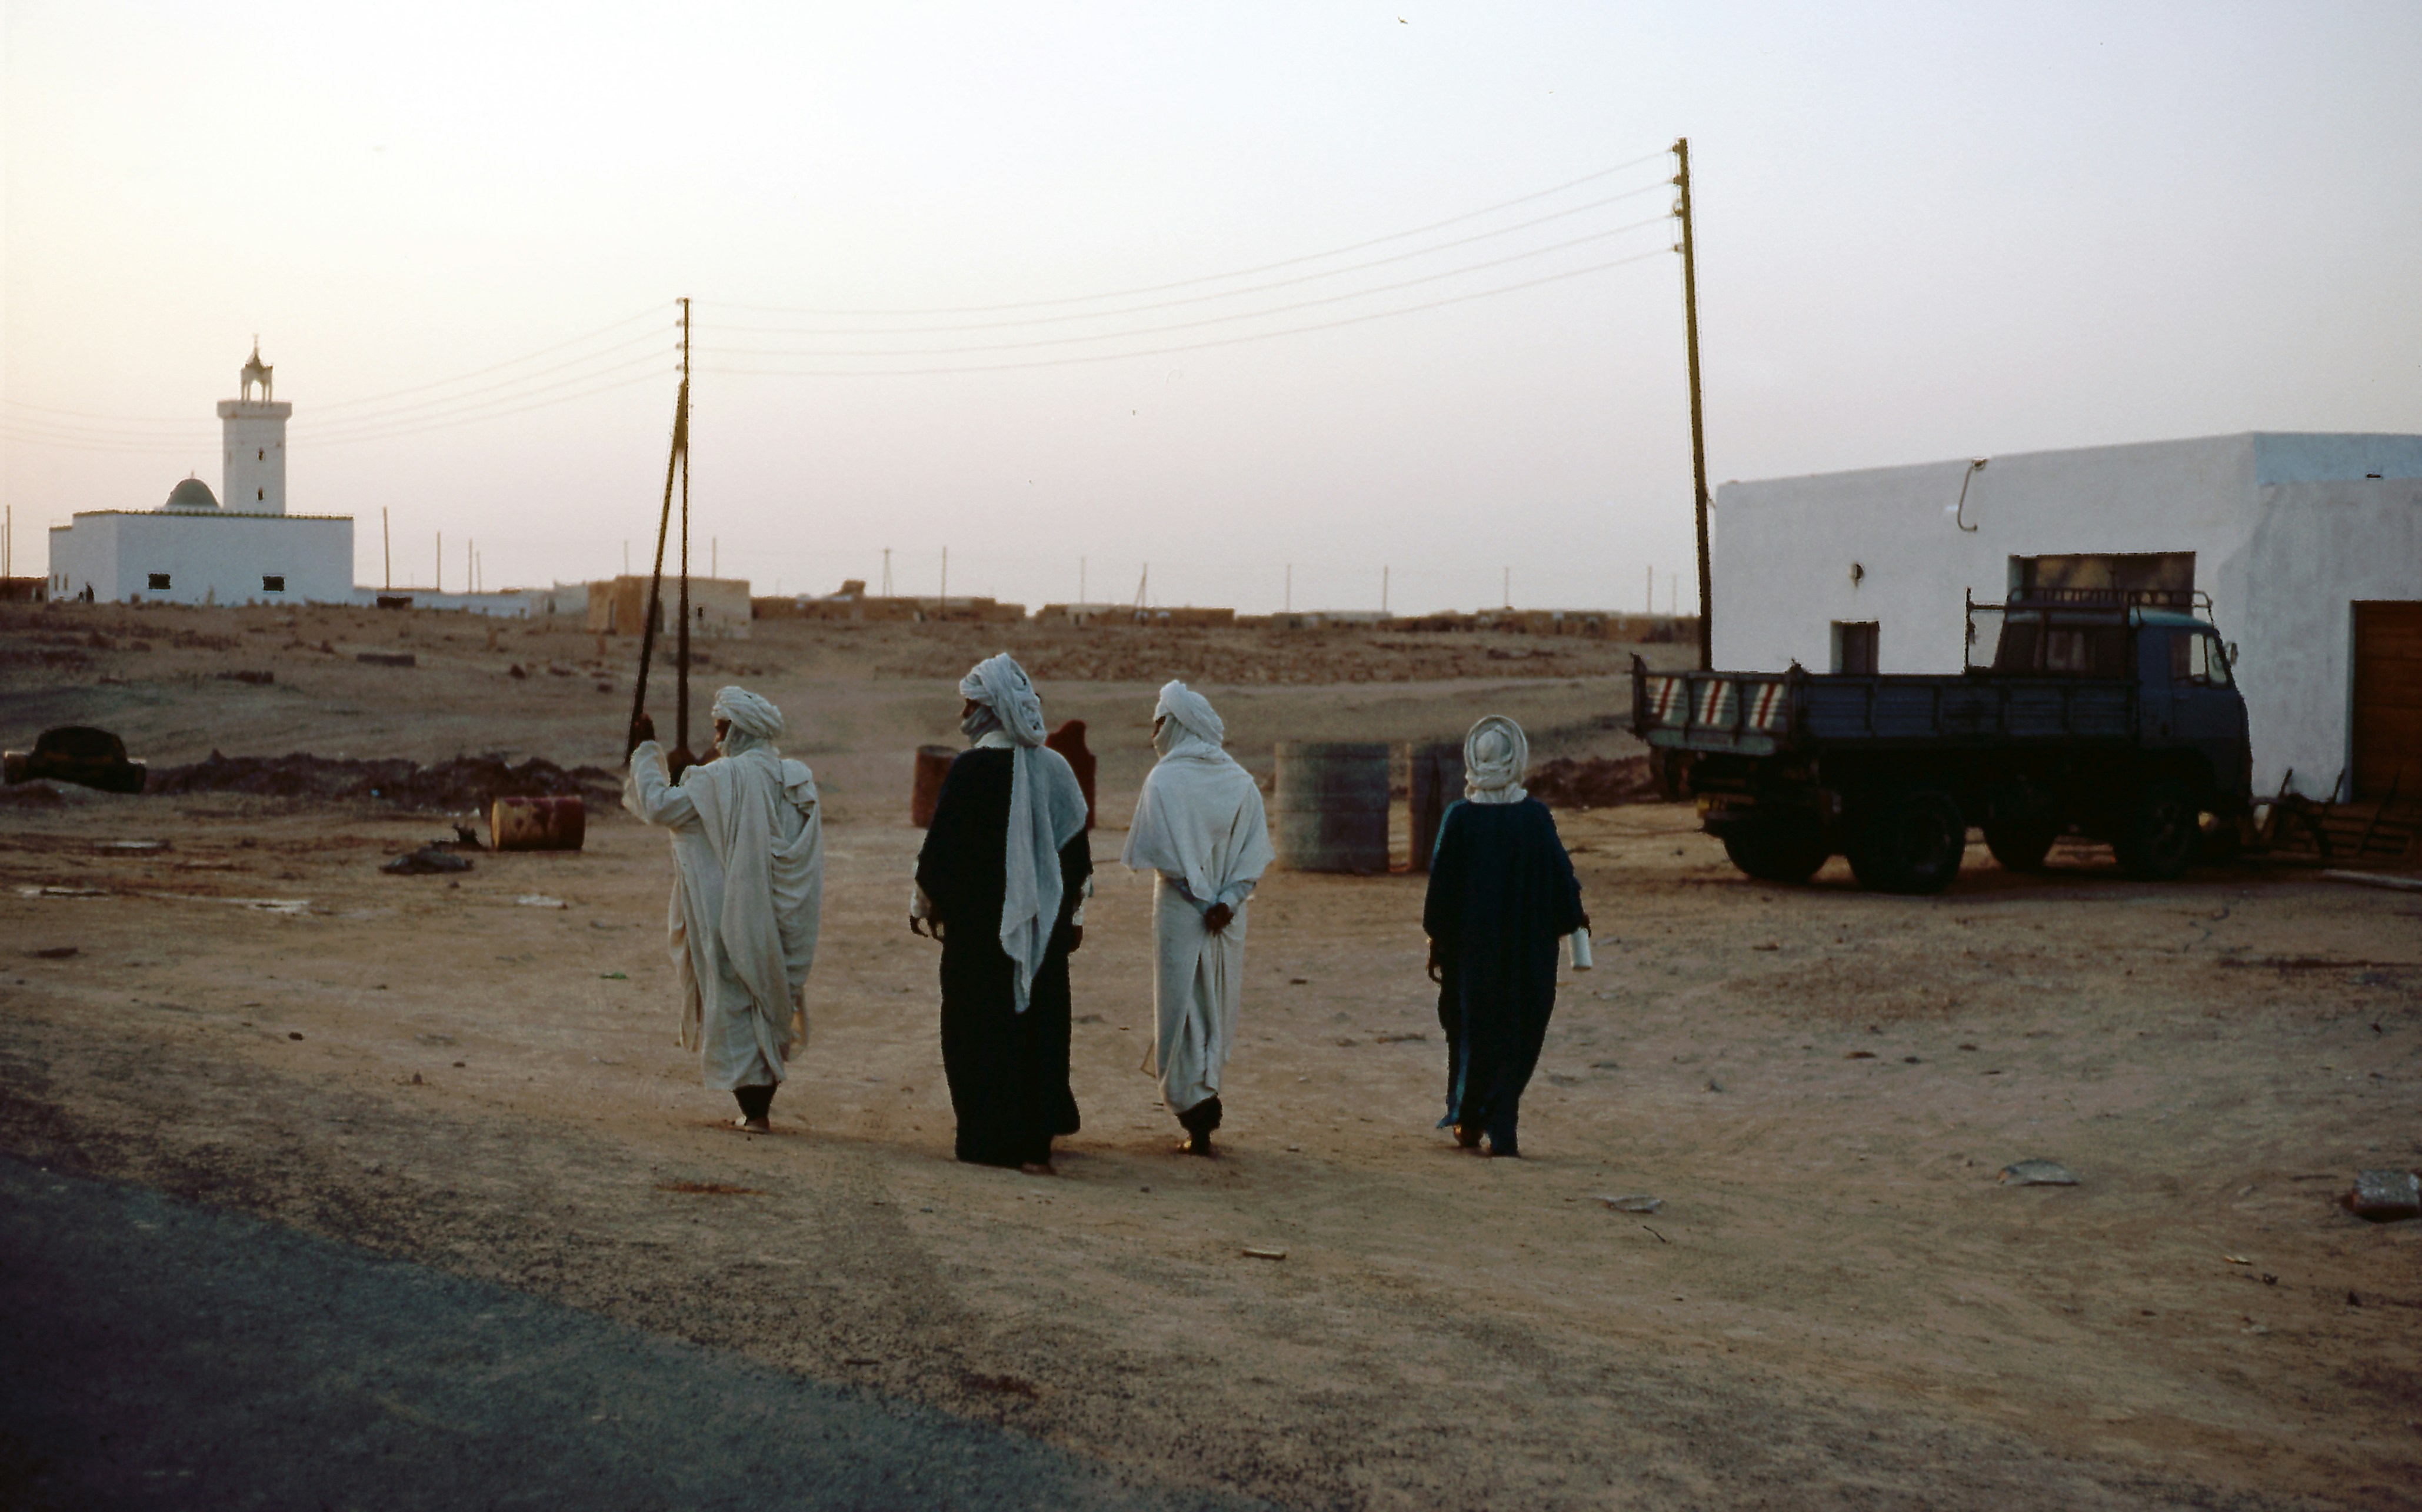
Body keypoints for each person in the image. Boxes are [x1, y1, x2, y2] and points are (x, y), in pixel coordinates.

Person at [911, 654, 1093, 1171]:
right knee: (1038, 1027)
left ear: (989, 709)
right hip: (1046, 931)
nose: (963, 713)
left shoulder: (972, 768)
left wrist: (927, 907)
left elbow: (939, 854)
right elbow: (1077, 856)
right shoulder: (1055, 768)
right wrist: (1072, 918)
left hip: (976, 937)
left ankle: (990, 1141)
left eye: (970, 704)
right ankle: (1036, 1142)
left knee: (977, 1029)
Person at [624, 687, 824, 1133]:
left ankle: (754, 1112)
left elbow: (658, 806)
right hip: (785, 916)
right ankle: (759, 1109)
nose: (716, 740)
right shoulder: (794, 778)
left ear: (739, 728)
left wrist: (646, 753)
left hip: (734, 911)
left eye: (720, 729)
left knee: (736, 997)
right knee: (770, 995)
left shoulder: (722, 780)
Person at [1422, 714, 1586, 1158]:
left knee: (1473, 1033)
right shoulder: (1534, 818)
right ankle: (1500, 1122)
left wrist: (1437, 942)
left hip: (1471, 954)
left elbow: (1440, 889)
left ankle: (1471, 1118)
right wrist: (1574, 922)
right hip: (1527, 954)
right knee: (1517, 1033)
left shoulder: (1459, 818)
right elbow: (1561, 878)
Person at [1122, 681, 1272, 1155]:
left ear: (1180, 724)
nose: (1154, 732)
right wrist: (1225, 901)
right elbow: (1252, 862)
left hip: (1180, 913)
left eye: (1160, 721)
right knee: (1207, 1008)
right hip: (1226, 917)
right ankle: (1201, 1102)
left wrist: (1203, 899)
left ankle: (1194, 1108)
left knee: (1181, 1009)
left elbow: (1166, 858)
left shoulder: (1164, 781)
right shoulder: (1243, 784)